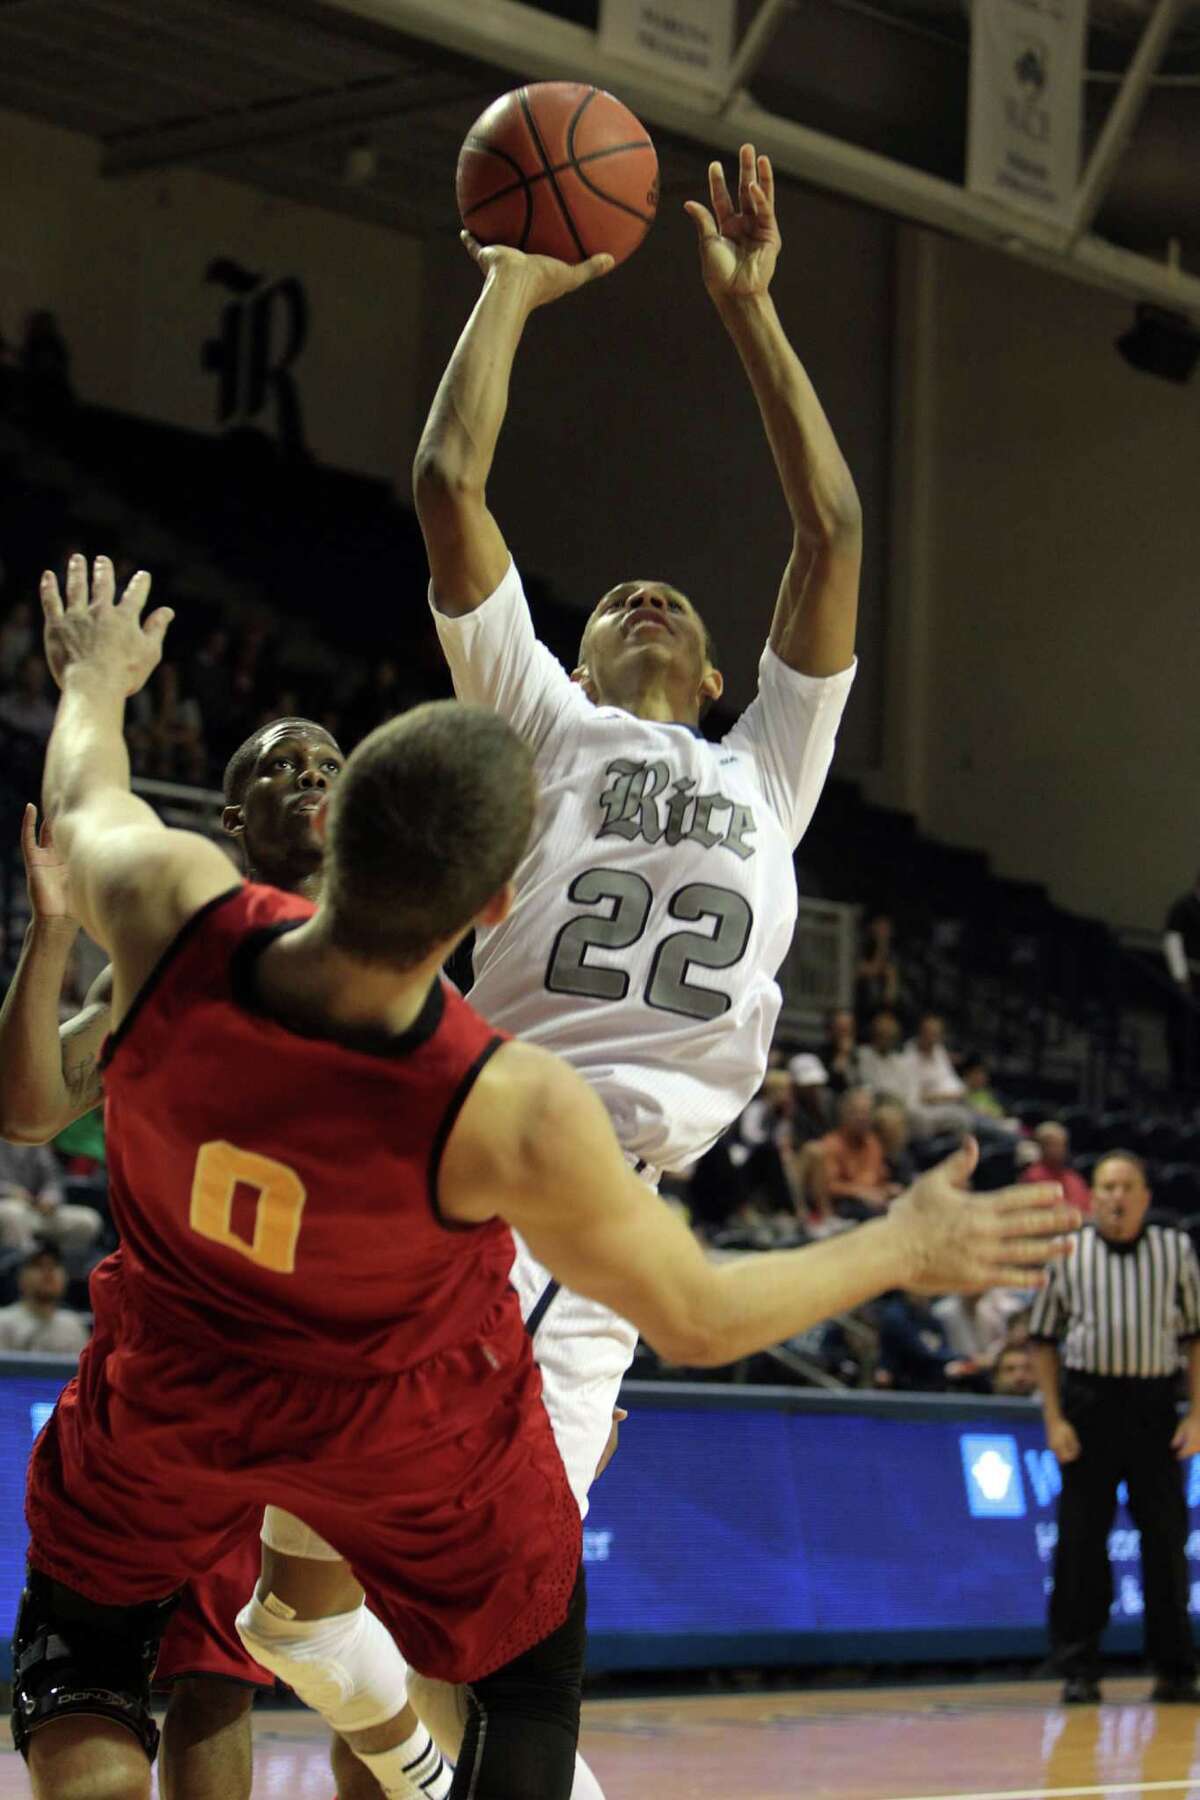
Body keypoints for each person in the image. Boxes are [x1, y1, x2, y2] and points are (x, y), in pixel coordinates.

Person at [16, 557, 1075, 1800]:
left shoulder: (175, 916)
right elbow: (699, 1311)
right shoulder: (501, 1099)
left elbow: (85, 798)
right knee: (519, 1676)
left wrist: (94, 680)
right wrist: (902, 1245)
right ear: (499, 898)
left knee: (88, 1673)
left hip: (170, 1400)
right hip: (378, 1439)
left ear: (339, 835)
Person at [0, 713, 350, 1800]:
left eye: (330, 764)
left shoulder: (399, 950)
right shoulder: (175, 949)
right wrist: (53, 931)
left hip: (320, 1371)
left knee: (296, 1682)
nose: (309, 775)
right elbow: (30, 1109)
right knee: (178, 1675)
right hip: (187, 1358)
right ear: (233, 816)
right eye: (280, 766)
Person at [1029, 1151, 1200, 1705]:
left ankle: (1175, 1668)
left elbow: (1196, 1339)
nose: (1116, 1197)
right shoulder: (1069, 1251)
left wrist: (1197, 1414)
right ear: (1092, 1195)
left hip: (1154, 1407)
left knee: (1166, 1543)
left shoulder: (1175, 1251)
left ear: (1146, 1197)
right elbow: (1044, 1340)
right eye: (1106, 1187)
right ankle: (1079, 1667)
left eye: (1127, 1186)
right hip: (1088, 1405)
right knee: (1080, 1543)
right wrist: (1054, 1418)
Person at [0, 1132, 102, 1255]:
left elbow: (52, 1180)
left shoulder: (32, 1140)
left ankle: (60, 1268)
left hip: (36, 1209)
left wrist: (49, 1198)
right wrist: (9, 1191)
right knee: (13, 1213)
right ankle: (25, 1268)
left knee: (87, 1221)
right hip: (7, 1207)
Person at [819, 1086, 898, 1218]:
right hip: (849, 1205)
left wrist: (888, 1189)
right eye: (857, 1112)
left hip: (875, 1198)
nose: (863, 1118)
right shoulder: (831, 1144)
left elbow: (878, 1178)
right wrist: (861, 1192)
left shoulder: (873, 1142)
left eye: (867, 1112)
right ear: (844, 1115)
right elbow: (830, 1186)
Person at [0, 1243, 90, 1355]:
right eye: (38, 1265)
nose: (48, 1272)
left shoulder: (74, 1326)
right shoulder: (3, 1323)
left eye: (54, 1265)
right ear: (21, 1278)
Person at [1163, 871, 1200, 1090]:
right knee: (1182, 1032)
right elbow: (1173, 942)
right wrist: (1181, 976)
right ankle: (1181, 1082)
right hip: (1188, 977)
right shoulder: (1184, 906)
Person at [1022, 1122, 1092, 1217]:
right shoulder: (1032, 1177)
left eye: (1063, 1145)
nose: (1061, 1150)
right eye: (1055, 1145)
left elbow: (1088, 1207)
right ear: (1043, 1147)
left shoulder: (1073, 1177)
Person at [854, 911, 901, 1024]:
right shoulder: (861, 946)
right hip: (862, 1004)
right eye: (880, 927)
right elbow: (869, 970)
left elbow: (891, 991)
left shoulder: (895, 953)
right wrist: (882, 944)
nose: (883, 931)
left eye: (886, 928)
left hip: (885, 1008)